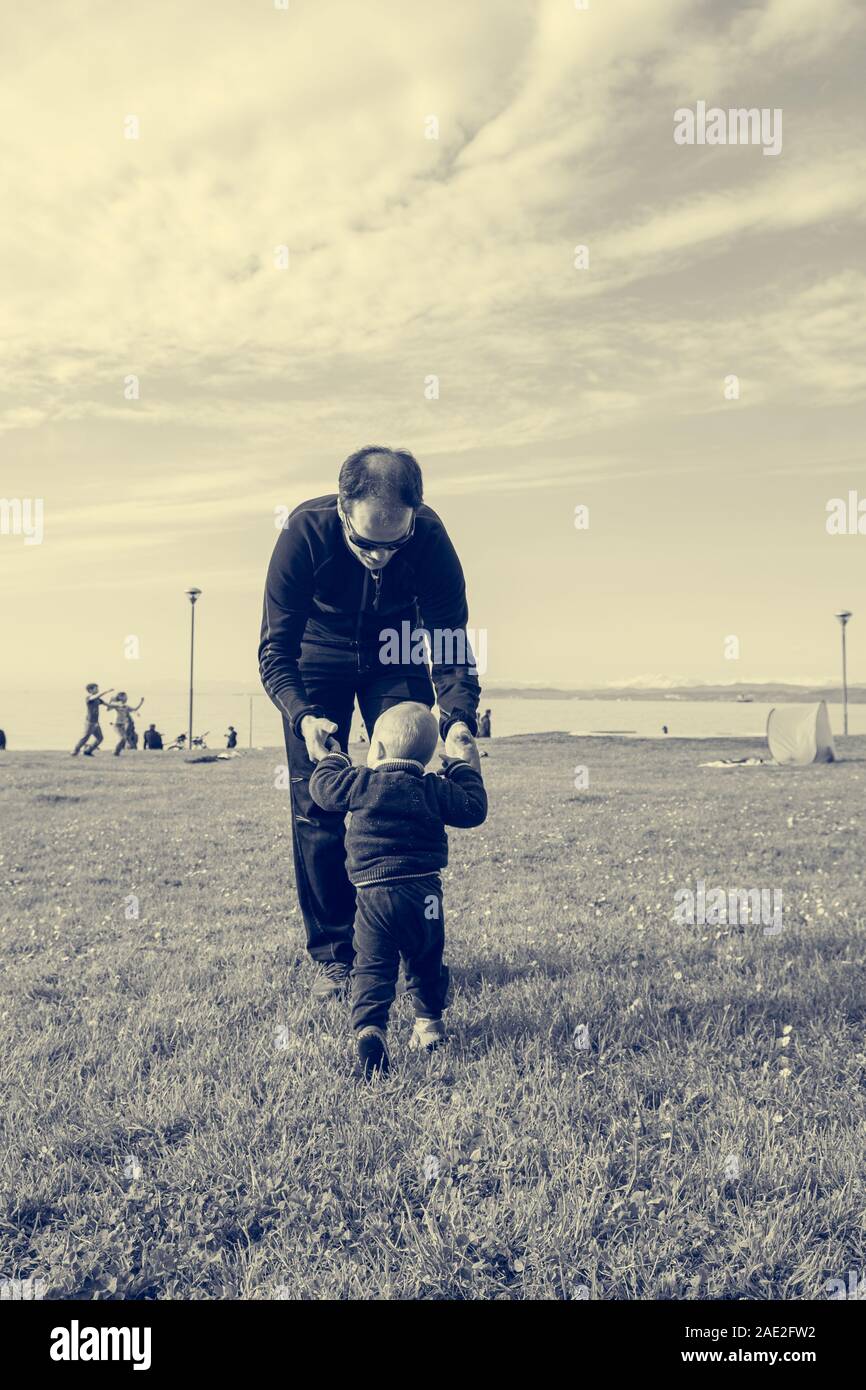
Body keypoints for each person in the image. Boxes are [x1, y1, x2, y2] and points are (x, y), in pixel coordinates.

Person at [259, 445, 481, 1003]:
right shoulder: (303, 533)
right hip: (319, 654)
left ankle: (404, 943)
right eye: (365, 543)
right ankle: (337, 958)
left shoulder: (430, 539)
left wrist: (456, 720)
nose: (379, 556)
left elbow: (451, 645)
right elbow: (275, 652)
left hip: (396, 650)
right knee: (316, 805)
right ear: (342, 508)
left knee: (402, 791)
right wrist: (301, 714)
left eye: (393, 543)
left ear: (414, 516)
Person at [309, 702, 487, 1077]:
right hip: (425, 896)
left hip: (374, 896)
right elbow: (473, 809)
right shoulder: (434, 787)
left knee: (372, 966)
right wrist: (459, 766)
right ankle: (430, 1026)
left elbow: (323, 791)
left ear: (378, 751)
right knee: (426, 960)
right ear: (425, 758)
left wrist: (334, 757)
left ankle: (371, 1029)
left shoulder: (361, 782)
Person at [71, 683, 113, 756]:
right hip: (89, 723)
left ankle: (88, 751)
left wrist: (116, 704)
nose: (97, 689)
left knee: (100, 738)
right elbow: (95, 696)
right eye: (96, 688)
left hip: (96, 723)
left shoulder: (98, 699)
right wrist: (106, 691)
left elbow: (108, 706)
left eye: (97, 688)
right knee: (84, 738)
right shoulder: (88, 698)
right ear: (90, 690)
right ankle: (75, 751)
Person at [106, 692, 144, 756]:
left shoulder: (126, 706)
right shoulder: (116, 704)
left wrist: (141, 702)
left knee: (124, 739)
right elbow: (108, 709)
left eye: (126, 696)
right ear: (120, 697)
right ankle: (115, 751)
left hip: (123, 725)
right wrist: (111, 701)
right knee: (122, 739)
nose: (126, 698)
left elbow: (135, 709)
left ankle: (116, 752)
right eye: (125, 696)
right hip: (117, 725)